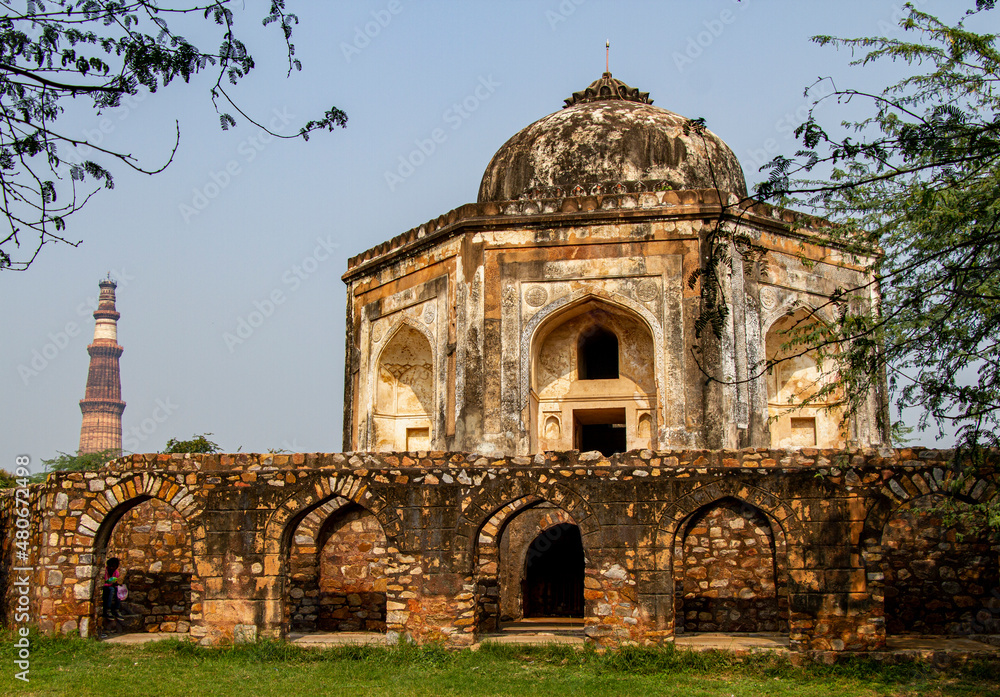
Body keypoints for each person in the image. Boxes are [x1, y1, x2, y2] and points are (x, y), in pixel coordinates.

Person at [102, 557, 125, 621]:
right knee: (111, 589)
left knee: (118, 590)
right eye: (110, 566)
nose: (112, 568)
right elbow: (104, 583)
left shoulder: (116, 573)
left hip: (111, 587)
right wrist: (110, 584)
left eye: (113, 567)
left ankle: (116, 609)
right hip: (105, 588)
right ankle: (107, 610)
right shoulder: (105, 572)